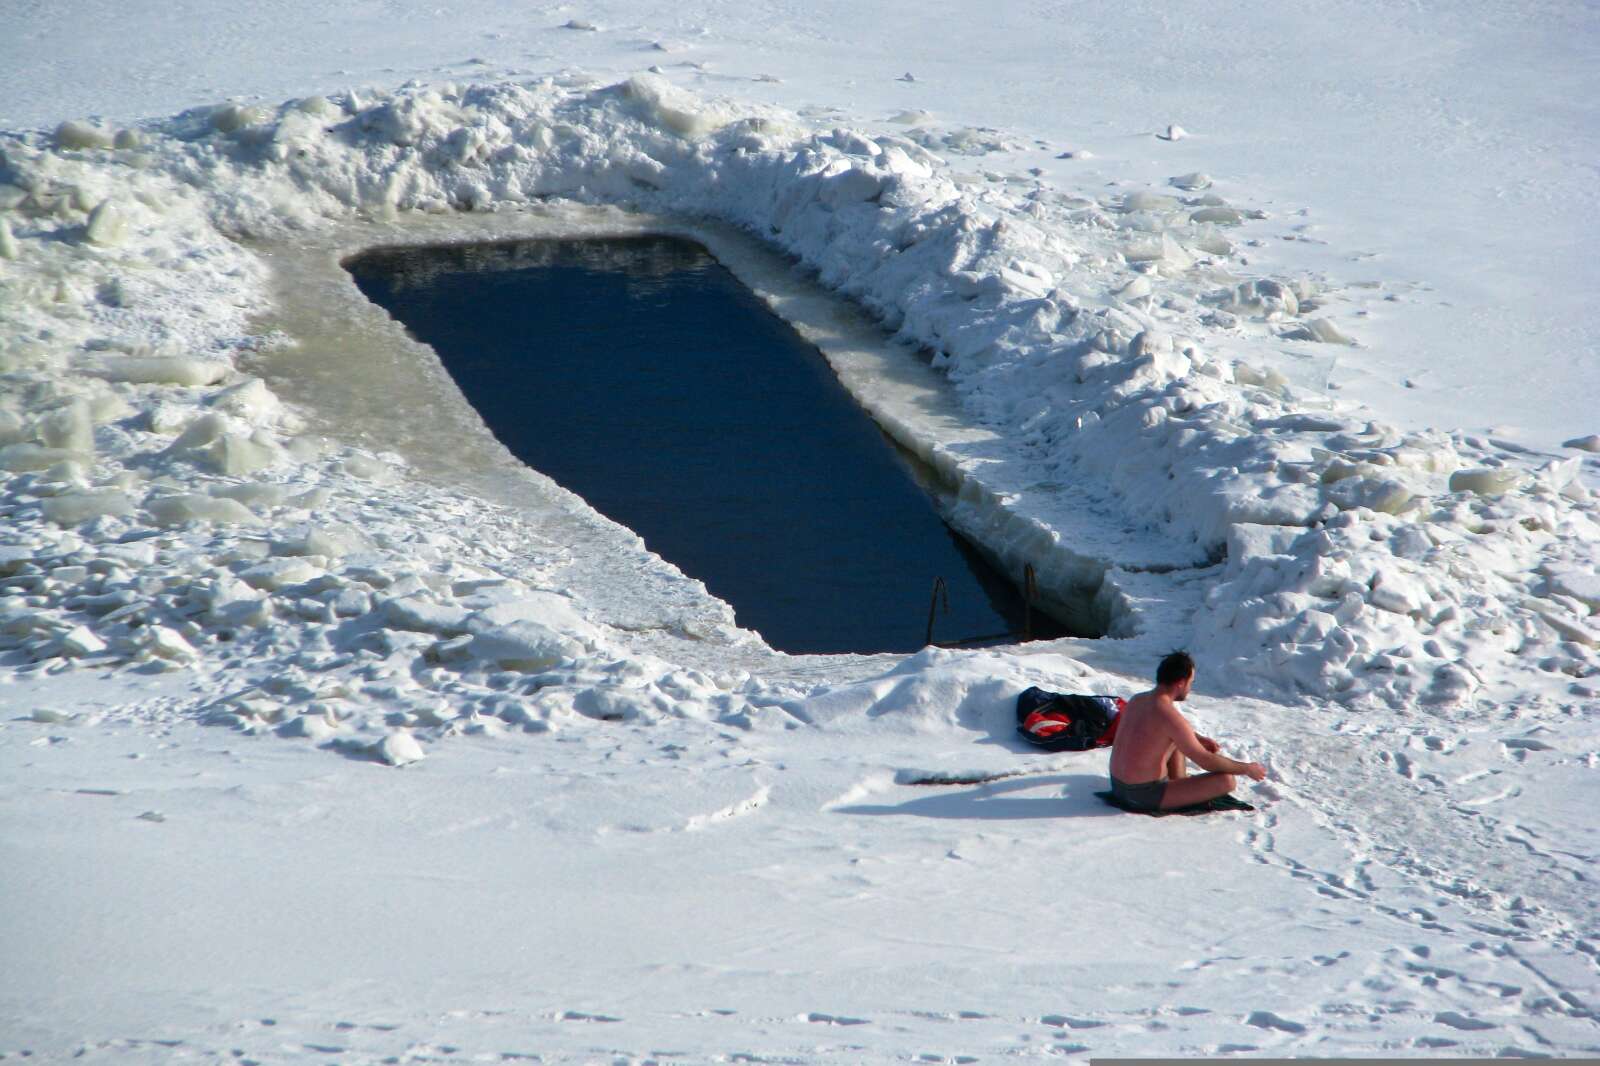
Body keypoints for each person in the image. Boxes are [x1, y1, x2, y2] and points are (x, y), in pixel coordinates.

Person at [1106, 651, 1267, 811]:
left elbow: (1157, 730)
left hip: (1117, 787)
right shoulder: (1168, 714)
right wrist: (1247, 768)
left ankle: (1179, 784)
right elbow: (1206, 761)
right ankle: (1180, 789)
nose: (1190, 688)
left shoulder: (1137, 700)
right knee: (1226, 781)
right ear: (1180, 683)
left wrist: (1199, 739)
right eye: (1191, 682)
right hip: (1143, 796)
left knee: (1177, 741)